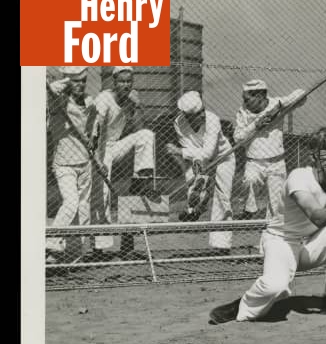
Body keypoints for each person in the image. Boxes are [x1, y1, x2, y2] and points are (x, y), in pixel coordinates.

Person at [208, 127, 326, 323]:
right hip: (282, 241)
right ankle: (240, 306)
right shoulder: (299, 177)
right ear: (314, 156)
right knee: (276, 287)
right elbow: (316, 216)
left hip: (311, 245)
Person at [90, 66, 156, 254]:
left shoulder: (130, 100)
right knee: (102, 197)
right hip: (99, 149)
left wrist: (137, 106)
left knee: (146, 135)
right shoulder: (104, 99)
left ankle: (142, 177)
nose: (126, 85)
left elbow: (140, 128)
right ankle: (99, 249)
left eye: (129, 81)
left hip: (115, 146)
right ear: (114, 82)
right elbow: (94, 131)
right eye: (122, 81)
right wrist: (98, 160)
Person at [166, 91, 235, 253]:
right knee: (191, 179)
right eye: (198, 114)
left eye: (203, 111)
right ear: (187, 116)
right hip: (198, 159)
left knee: (223, 198)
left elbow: (209, 152)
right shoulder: (179, 123)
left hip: (223, 159)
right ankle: (194, 210)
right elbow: (190, 147)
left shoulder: (212, 120)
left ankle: (222, 246)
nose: (203, 115)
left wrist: (179, 152)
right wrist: (196, 161)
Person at [234, 79, 307, 220]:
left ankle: (271, 230)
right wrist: (256, 125)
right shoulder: (242, 111)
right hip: (254, 162)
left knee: (277, 204)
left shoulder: (276, 104)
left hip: (276, 162)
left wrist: (281, 105)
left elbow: (302, 94)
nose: (245, 102)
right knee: (249, 180)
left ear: (260, 97)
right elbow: (238, 138)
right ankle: (250, 210)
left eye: (247, 99)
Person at [45, 66, 97, 261]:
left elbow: (92, 127)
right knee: (71, 202)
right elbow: (42, 102)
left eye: (83, 80)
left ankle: (76, 254)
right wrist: (51, 88)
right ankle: (50, 243)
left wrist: (93, 140)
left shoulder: (89, 102)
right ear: (67, 81)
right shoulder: (59, 101)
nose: (81, 84)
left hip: (85, 161)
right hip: (64, 163)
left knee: (83, 207)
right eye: (76, 80)